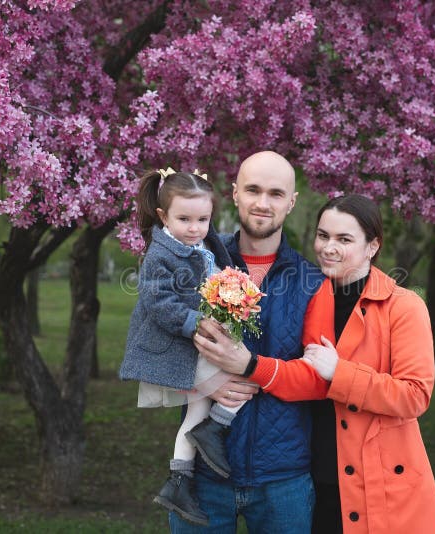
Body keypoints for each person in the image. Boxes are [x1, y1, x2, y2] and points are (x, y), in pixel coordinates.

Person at [197, 194, 435, 533]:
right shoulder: (303, 291)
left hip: (375, 477)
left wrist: (339, 372)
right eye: (323, 235)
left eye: (344, 239)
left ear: (372, 246)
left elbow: (415, 395)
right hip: (308, 473)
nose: (329, 247)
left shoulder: (402, 307)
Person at [176, 151, 324, 533]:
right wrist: (206, 382)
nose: (263, 203)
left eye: (276, 194)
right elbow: (155, 347)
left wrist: (251, 369)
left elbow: (320, 381)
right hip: (202, 473)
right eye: (253, 190)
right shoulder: (196, 262)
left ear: (291, 203)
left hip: (282, 477)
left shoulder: (314, 284)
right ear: (235, 192)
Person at [119, 169, 242, 526]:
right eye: (184, 219)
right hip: (185, 343)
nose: (194, 227)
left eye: (203, 219)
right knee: (239, 386)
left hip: (204, 341)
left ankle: (179, 480)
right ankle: (213, 432)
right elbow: (159, 303)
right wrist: (196, 322)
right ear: (163, 217)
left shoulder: (203, 242)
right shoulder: (160, 254)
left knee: (197, 411)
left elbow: (220, 268)